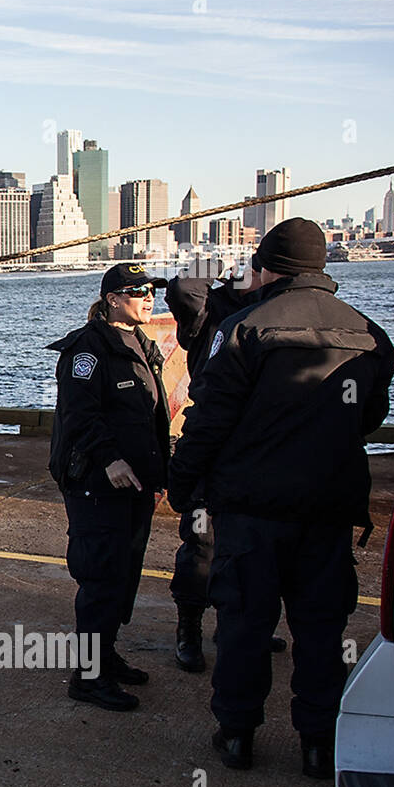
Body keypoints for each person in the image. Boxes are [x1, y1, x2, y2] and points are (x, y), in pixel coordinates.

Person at [168, 218, 394, 778]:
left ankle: (238, 734)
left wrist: (181, 484)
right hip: (327, 511)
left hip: (253, 511)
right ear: (319, 269)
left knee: (244, 624)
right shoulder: (368, 334)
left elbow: (209, 421)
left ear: (269, 266)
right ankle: (318, 743)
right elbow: (367, 417)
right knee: (322, 631)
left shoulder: (245, 329)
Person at [47, 263, 170, 712]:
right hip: (96, 483)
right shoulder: (88, 349)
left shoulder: (141, 344)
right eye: (137, 291)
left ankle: (106, 654)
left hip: (134, 484)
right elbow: (80, 414)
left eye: (152, 290)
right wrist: (110, 459)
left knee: (123, 573)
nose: (148, 297)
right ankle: (88, 677)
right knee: (100, 577)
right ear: (112, 298)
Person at [164, 254, 286, 672]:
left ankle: (241, 623)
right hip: (209, 446)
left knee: (255, 546)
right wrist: (221, 264)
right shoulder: (208, 314)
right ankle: (189, 630)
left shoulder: (271, 311)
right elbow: (183, 289)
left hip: (254, 452)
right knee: (201, 545)